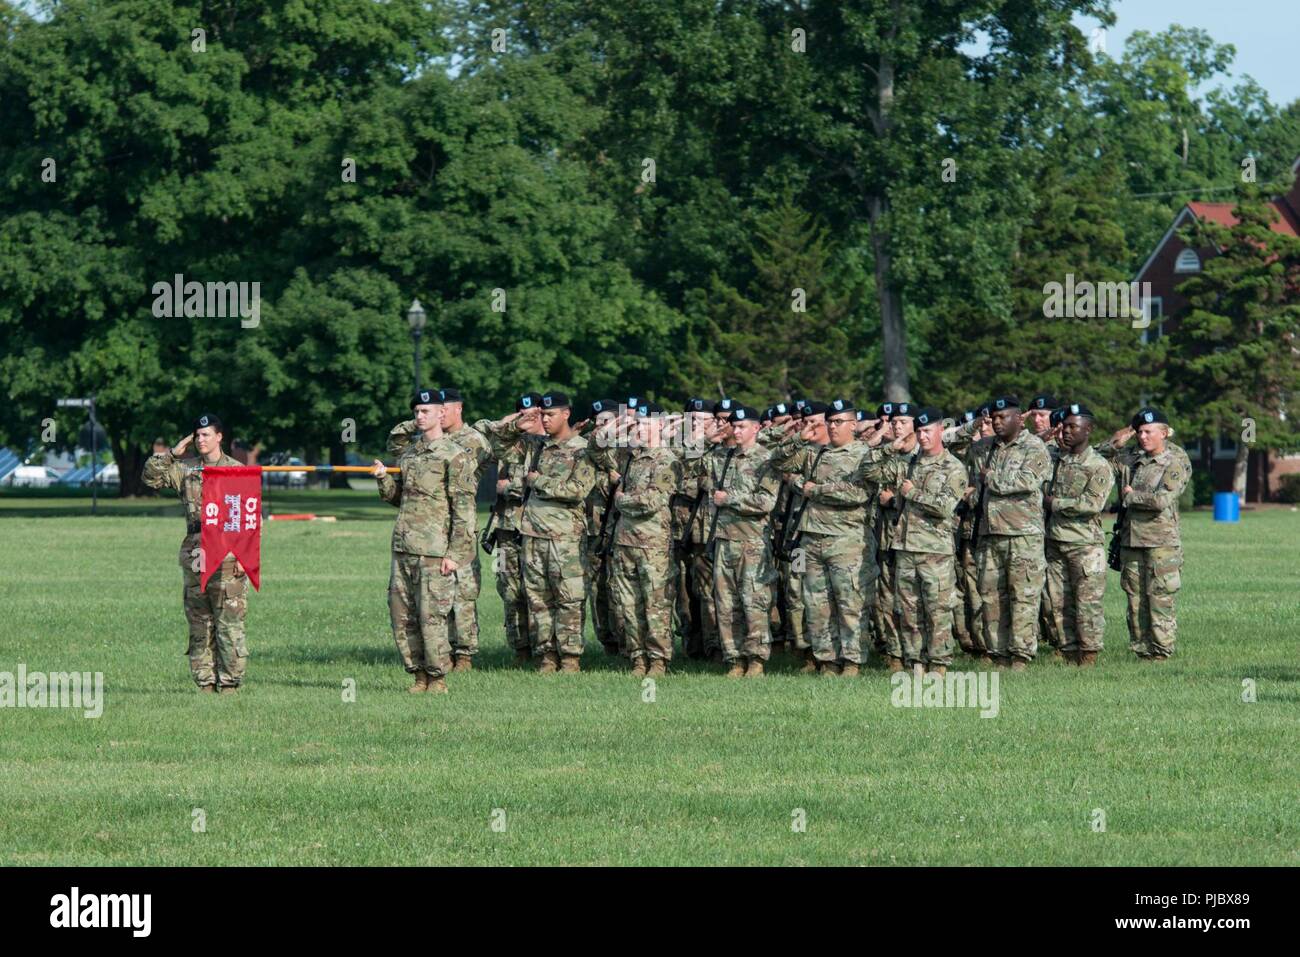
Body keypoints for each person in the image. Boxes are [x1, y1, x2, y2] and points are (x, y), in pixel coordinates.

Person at [481, 392, 598, 672]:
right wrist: (519, 422)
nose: (544, 420)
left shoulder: (583, 449)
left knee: (568, 598)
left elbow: (578, 491)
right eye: (541, 415)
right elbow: (496, 445)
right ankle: (546, 656)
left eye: (550, 415)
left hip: (565, 539)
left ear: (566, 414)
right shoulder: (534, 446)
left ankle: (569, 659)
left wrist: (539, 481)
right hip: (532, 535)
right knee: (538, 599)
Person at [372, 389, 476, 694]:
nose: (419, 417)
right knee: (402, 616)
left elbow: (464, 510)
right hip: (404, 547)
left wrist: (455, 553)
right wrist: (382, 479)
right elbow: (398, 498)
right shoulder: (410, 455)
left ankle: (437, 678)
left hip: (434, 550)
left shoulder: (455, 456)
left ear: (441, 415)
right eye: (416, 412)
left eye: (426, 412)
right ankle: (418, 676)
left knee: (432, 617)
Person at [769, 398, 879, 676]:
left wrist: (815, 490)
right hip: (811, 538)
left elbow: (859, 493)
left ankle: (852, 661)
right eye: (829, 422)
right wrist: (797, 438)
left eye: (838, 422)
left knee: (849, 603)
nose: (832, 427)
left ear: (853, 425)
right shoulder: (813, 453)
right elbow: (777, 461)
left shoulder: (864, 455)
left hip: (848, 540)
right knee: (817, 604)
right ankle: (827, 660)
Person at [142, 413, 249, 694]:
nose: (201, 440)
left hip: (227, 552)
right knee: (199, 620)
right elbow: (151, 479)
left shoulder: (237, 470)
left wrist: (242, 556)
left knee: (229, 619)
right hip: (195, 550)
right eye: (197, 435)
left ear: (219, 437)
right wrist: (171, 454)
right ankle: (204, 682)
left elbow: (248, 520)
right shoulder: (186, 469)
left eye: (206, 435)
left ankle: (229, 684)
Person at [590, 402, 683, 675]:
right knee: (627, 603)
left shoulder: (668, 460)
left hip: (653, 545)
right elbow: (594, 451)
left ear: (660, 426)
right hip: (624, 542)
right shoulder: (629, 457)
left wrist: (621, 500)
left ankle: (658, 660)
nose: (638, 428)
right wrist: (612, 428)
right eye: (636, 423)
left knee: (655, 604)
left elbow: (653, 501)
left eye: (644, 424)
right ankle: (638, 657)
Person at [1099, 409, 1192, 661]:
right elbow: (1099, 455)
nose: (1142, 436)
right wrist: (1125, 432)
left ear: (1164, 433)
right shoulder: (1131, 458)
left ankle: (1161, 653)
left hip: (1161, 542)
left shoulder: (1174, 461)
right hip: (1131, 539)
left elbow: (1162, 499)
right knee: (1134, 598)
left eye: (1148, 431)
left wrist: (1130, 496)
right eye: (1139, 432)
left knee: (1159, 597)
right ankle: (1142, 652)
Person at [695, 405, 780, 676]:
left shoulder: (767, 459)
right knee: (726, 601)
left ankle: (755, 659)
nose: (737, 430)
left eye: (743, 426)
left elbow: (767, 501)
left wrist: (728, 498)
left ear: (756, 428)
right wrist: (706, 439)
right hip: (723, 539)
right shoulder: (721, 457)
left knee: (753, 599)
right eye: (735, 426)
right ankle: (734, 657)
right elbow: (685, 461)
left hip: (752, 542)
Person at [887, 408, 969, 676]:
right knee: (908, 610)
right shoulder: (911, 463)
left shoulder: (953, 467)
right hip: (906, 547)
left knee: (937, 610)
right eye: (919, 431)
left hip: (935, 551)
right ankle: (915, 662)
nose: (922, 436)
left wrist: (912, 494)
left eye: (927, 431)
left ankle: (939, 663)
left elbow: (944, 506)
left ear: (939, 433)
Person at [972, 396, 1051, 670]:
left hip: (1023, 536)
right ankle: (998, 654)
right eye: (993, 418)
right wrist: (974, 423)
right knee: (991, 596)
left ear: (1020, 418)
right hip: (990, 535)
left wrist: (990, 479)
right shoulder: (985, 448)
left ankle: (1020, 656)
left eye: (1003, 417)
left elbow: (1028, 481)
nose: (996, 422)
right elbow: (949, 442)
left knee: (1023, 596)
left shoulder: (1034, 447)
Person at [1042, 404, 1114, 666]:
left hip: (1084, 545)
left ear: (1089, 429)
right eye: (1065, 426)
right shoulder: (1058, 460)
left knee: (1087, 604)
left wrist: (1056, 504)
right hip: (1056, 541)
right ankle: (1069, 651)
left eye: (1074, 427)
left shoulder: (1098, 466)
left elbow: (1092, 504)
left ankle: (1090, 655)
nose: (1068, 431)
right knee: (1058, 602)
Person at [486, 392, 545, 664]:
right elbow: (493, 432)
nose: (528, 420)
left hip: (539, 527)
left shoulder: (552, 445)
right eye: (522, 415)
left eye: (533, 414)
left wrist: (510, 487)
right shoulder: (512, 446)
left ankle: (545, 648)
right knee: (509, 590)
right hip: (508, 527)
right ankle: (520, 648)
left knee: (540, 591)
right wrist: (515, 421)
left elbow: (533, 485)